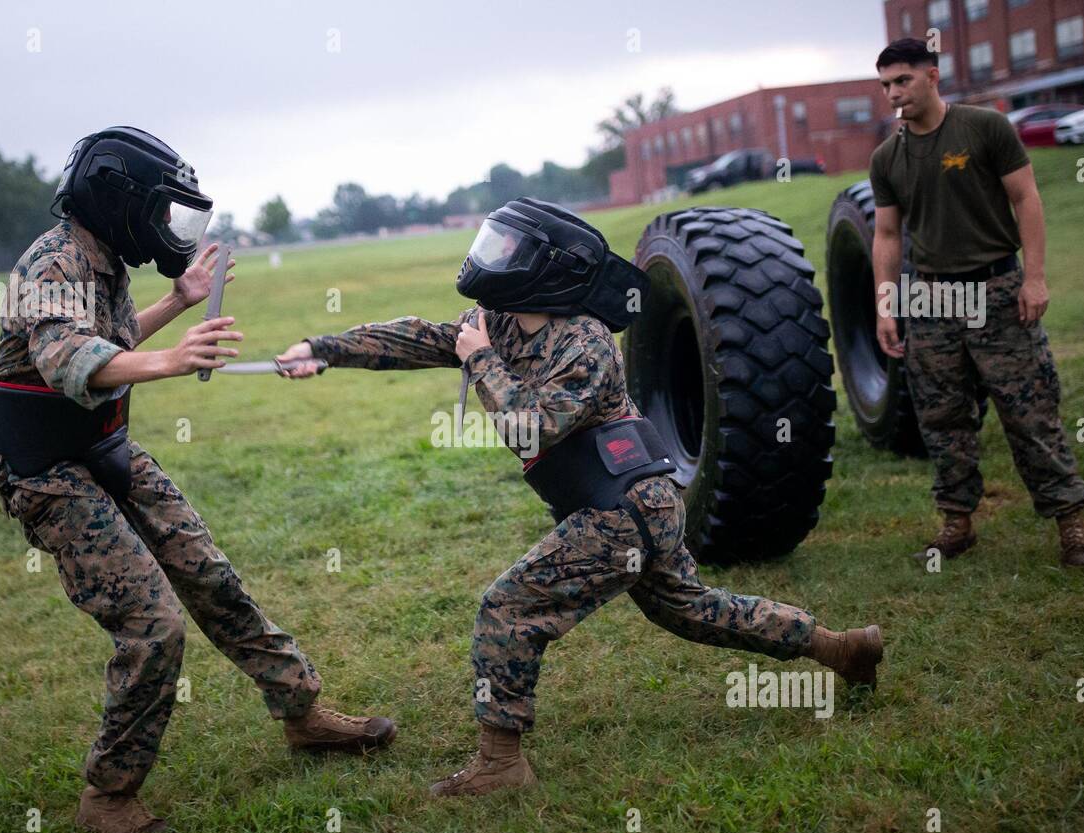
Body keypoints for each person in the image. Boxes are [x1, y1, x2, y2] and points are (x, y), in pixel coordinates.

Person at [272, 198, 883, 797]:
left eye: (506, 250)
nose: (491, 260)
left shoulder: (584, 344)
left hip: (626, 511)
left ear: (547, 268)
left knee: (508, 609)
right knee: (692, 609)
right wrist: (322, 350)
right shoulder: (505, 320)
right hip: (626, 499)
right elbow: (418, 338)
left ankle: (500, 764)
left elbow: (527, 426)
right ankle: (841, 647)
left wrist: (480, 358)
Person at [0, 127, 394, 833]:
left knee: (209, 576)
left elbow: (109, 338)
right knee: (153, 625)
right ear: (115, 200)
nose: (165, 228)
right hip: (47, 472)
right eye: (158, 210)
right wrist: (175, 359)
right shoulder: (51, 263)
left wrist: (177, 303)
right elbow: (70, 359)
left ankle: (303, 715)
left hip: (101, 445)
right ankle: (108, 796)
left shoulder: (101, 259)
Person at [870, 39, 1084, 566]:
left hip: (995, 289)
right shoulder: (887, 158)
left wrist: (1034, 279)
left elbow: (1026, 198)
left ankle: (1071, 522)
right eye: (884, 85)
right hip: (930, 297)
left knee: (1030, 410)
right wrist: (887, 305)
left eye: (902, 80)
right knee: (942, 416)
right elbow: (886, 235)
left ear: (932, 76)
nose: (893, 93)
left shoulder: (985, 128)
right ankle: (957, 522)